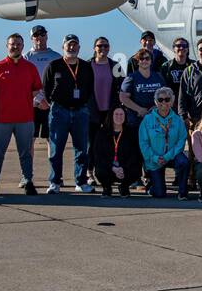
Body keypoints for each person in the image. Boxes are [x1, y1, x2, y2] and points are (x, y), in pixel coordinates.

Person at [0, 33, 42, 197]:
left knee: (25, 153)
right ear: (7, 46)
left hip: (25, 119)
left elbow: (36, 88)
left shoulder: (30, 68)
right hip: (2, 119)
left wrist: (23, 99)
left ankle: (28, 181)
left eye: (18, 44)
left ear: (23, 46)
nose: (15, 46)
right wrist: (1, 103)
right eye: (12, 44)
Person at [43, 34, 95, 193]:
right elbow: (46, 88)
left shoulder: (86, 66)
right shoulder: (54, 65)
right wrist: (54, 103)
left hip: (80, 111)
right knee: (56, 149)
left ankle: (80, 182)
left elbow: (90, 88)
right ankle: (55, 182)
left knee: (81, 149)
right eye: (68, 45)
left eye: (74, 45)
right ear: (63, 47)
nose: (71, 47)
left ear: (79, 47)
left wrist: (82, 104)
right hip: (60, 111)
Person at [139, 87, 189, 199]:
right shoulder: (147, 120)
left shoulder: (177, 120)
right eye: (160, 99)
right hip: (155, 158)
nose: (164, 102)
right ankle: (152, 185)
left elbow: (181, 141)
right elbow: (144, 144)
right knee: (159, 194)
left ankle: (182, 192)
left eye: (167, 99)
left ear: (171, 101)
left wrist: (167, 156)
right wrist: (156, 158)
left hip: (172, 156)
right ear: (156, 102)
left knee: (184, 162)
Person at [87, 36, 119, 184]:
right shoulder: (87, 66)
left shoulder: (115, 66)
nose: (103, 49)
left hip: (109, 111)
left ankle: (108, 171)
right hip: (92, 110)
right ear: (94, 48)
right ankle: (89, 172)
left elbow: (121, 88)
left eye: (106, 46)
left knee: (109, 143)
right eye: (100, 46)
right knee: (91, 143)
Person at [91, 107, 143, 197]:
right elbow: (98, 155)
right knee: (100, 170)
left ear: (125, 116)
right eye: (116, 114)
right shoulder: (102, 133)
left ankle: (124, 187)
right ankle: (106, 187)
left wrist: (123, 168)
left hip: (124, 169)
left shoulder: (131, 133)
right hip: (109, 168)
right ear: (111, 116)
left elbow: (135, 154)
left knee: (136, 169)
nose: (119, 117)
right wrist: (112, 167)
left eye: (121, 114)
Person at [25, 25, 60, 142]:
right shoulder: (25, 58)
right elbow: (23, 84)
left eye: (42, 34)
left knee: (52, 140)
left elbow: (60, 83)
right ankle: (28, 161)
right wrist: (38, 100)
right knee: (30, 140)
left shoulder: (56, 57)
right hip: (32, 106)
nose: (39, 38)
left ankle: (53, 161)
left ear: (47, 36)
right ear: (31, 38)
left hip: (51, 105)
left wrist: (48, 101)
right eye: (36, 35)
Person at [120, 49, 168, 133]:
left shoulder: (158, 76)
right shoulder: (131, 78)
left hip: (157, 120)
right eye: (141, 59)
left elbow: (166, 95)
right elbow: (123, 97)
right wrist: (139, 109)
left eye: (147, 58)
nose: (144, 61)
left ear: (151, 61)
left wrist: (157, 107)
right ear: (137, 62)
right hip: (137, 121)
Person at [160, 38, 192, 106]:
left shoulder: (194, 66)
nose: (181, 48)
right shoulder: (166, 66)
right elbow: (162, 87)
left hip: (190, 104)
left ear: (187, 49)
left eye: (184, 46)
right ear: (174, 49)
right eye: (178, 45)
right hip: (171, 104)